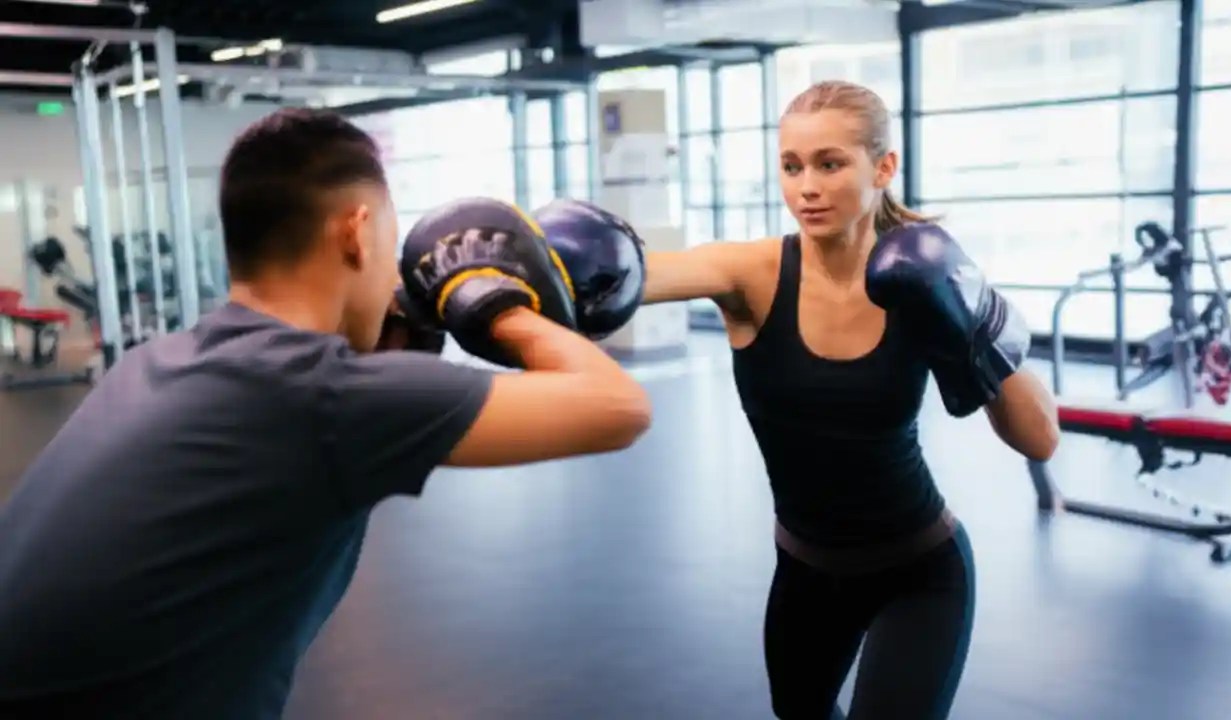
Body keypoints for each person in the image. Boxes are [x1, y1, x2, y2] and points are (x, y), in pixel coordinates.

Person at [0, 108, 651, 719]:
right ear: (358, 232)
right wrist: (487, 298)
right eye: (393, 239)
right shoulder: (316, 395)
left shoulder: (156, 362)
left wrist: (380, 363)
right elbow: (617, 406)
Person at [538, 80, 1060, 719]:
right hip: (806, 572)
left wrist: (973, 319)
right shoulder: (752, 274)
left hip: (921, 571)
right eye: (791, 166)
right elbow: (638, 271)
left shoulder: (923, 276)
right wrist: (531, 265)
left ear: (883, 167)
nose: (805, 187)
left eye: (830, 163)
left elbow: (1040, 438)